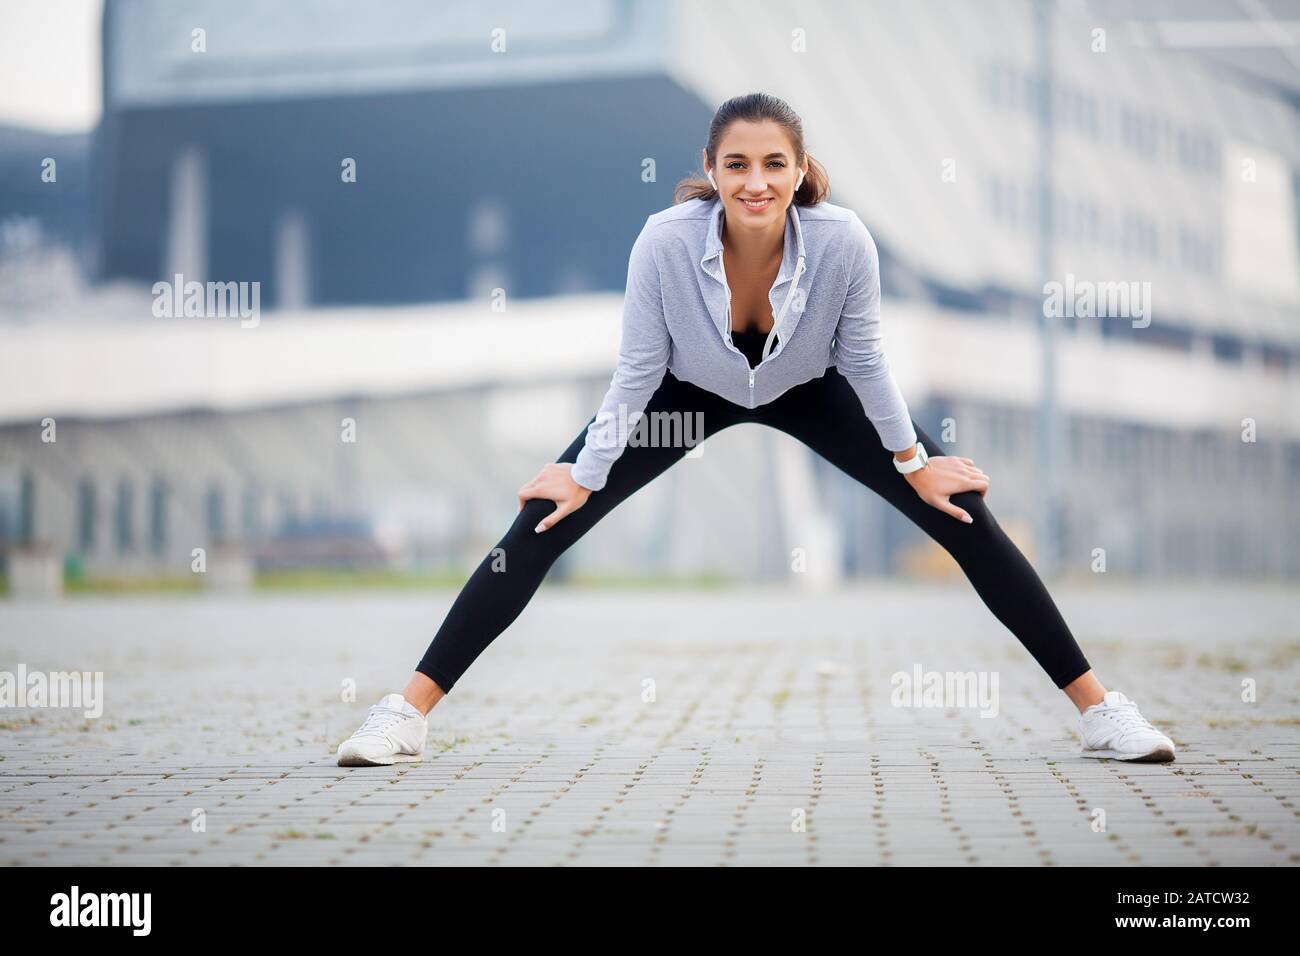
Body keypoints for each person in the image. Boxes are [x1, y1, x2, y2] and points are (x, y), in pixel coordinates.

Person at [337, 92, 1175, 767]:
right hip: (687, 390)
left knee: (963, 514)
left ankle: (1102, 713)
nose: (755, 181)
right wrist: (585, 472)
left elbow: (869, 361)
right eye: (736, 164)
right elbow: (636, 371)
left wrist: (915, 461)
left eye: (775, 163)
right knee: (540, 523)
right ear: (711, 168)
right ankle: (403, 715)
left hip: (814, 386)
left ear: (800, 170)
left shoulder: (844, 242)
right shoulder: (664, 243)